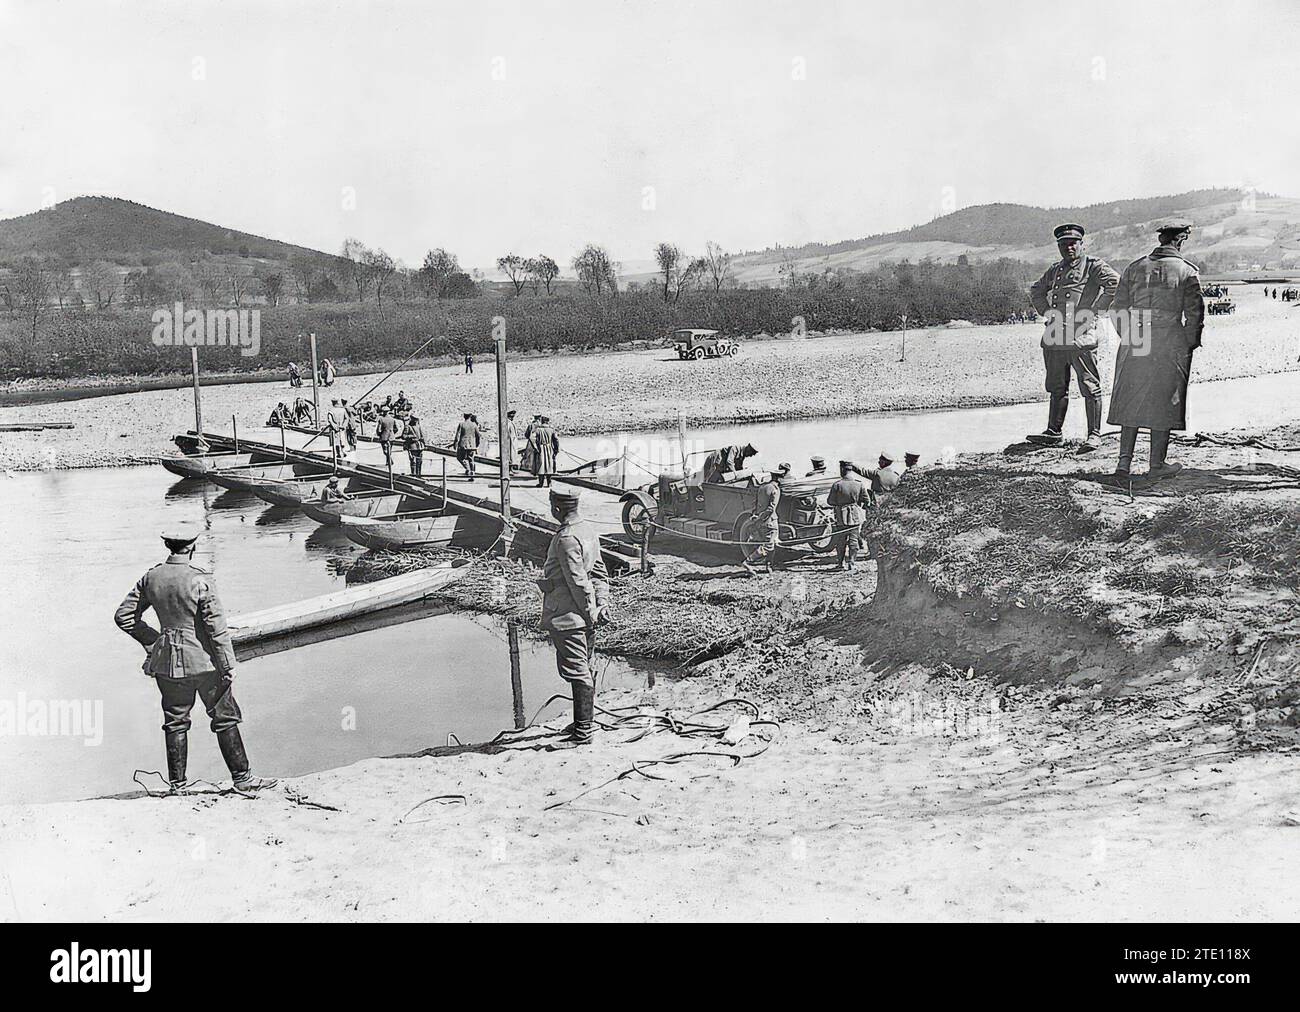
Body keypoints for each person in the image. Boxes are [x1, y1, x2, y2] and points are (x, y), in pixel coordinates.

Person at [114, 524, 276, 796]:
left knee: (175, 720)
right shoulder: (201, 579)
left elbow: (124, 617)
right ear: (192, 546)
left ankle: (178, 785)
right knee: (225, 717)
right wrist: (228, 665)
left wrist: (157, 642)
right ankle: (243, 779)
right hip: (204, 663)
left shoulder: (150, 577)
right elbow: (216, 628)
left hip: (166, 665)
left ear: (168, 546)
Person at [1107, 220, 1205, 481]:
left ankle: (1123, 465)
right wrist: (1188, 343)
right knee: (1164, 399)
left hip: (1136, 338)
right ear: (1181, 239)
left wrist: (1129, 335)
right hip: (1168, 340)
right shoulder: (1187, 271)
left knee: (1132, 397)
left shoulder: (1134, 267)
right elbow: (1194, 315)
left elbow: (1117, 309)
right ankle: (1156, 465)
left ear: (1161, 239)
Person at [1027, 223, 1121, 453]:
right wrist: (1047, 312)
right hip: (1055, 334)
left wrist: (1095, 311)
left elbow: (1115, 284)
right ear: (1058, 246)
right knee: (1056, 386)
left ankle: (1094, 435)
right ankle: (1054, 432)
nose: (1068, 247)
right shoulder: (1055, 269)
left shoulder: (1093, 266)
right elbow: (1036, 290)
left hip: (1081, 335)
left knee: (1090, 386)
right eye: (1063, 244)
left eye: (1073, 243)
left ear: (1081, 244)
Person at [537, 488, 610, 748]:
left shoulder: (567, 538)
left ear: (557, 507)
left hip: (569, 616)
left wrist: (590, 612)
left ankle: (583, 732)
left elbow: (578, 583)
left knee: (578, 672)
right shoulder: (587, 530)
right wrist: (602, 605)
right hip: (584, 614)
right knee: (584, 667)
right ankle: (582, 721)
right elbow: (599, 572)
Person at [741, 462, 789, 575]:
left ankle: (769, 566)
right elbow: (771, 508)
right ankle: (748, 562)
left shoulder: (762, 487)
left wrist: (756, 516)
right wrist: (761, 518)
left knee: (771, 543)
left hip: (762, 522)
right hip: (770, 521)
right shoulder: (775, 489)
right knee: (769, 545)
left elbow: (755, 504)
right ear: (780, 478)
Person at [826, 460, 871, 571]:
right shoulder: (859, 484)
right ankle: (851, 563)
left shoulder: (837, 485)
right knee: (854, 540)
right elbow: (867, 500)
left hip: (841, 516)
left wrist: (840, 504)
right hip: (855, 515)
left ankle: (840, 564)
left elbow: (830, 501)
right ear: (851, 470)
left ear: (842, 470)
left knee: (841, 541)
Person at [529, 415, 559, 487]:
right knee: (549, 465)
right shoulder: (551, 429)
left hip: (541, 449)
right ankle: (549, 483)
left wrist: (535, 448)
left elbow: (531, 438)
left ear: (542, 421)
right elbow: (556, 440)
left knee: (541, 465)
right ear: (547, 422)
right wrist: (556, 450)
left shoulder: (537, 430)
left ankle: (541, 483)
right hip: (549, 448)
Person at [454, 413, 481, 480]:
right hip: (472, 445)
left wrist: (455, 443)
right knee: (471, 459)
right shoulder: (474, 425)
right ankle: (472, 475)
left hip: (463, 445)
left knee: (460, 458)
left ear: (464, 417)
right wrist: (477, 444)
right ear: (470, 417)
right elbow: (478, 436)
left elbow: (458, 435)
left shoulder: (461, 424)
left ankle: (467, 469)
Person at [325, 398, 348, 464]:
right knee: (342, 440)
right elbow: (346, 418)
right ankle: (343, 451)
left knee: (336, 442)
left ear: (333, 403)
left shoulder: (331, 411)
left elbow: (330, 420)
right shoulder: (343, 410)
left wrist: (335, 426)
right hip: (342, 428)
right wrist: (344, 425)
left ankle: (338, 453)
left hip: (334, 429)